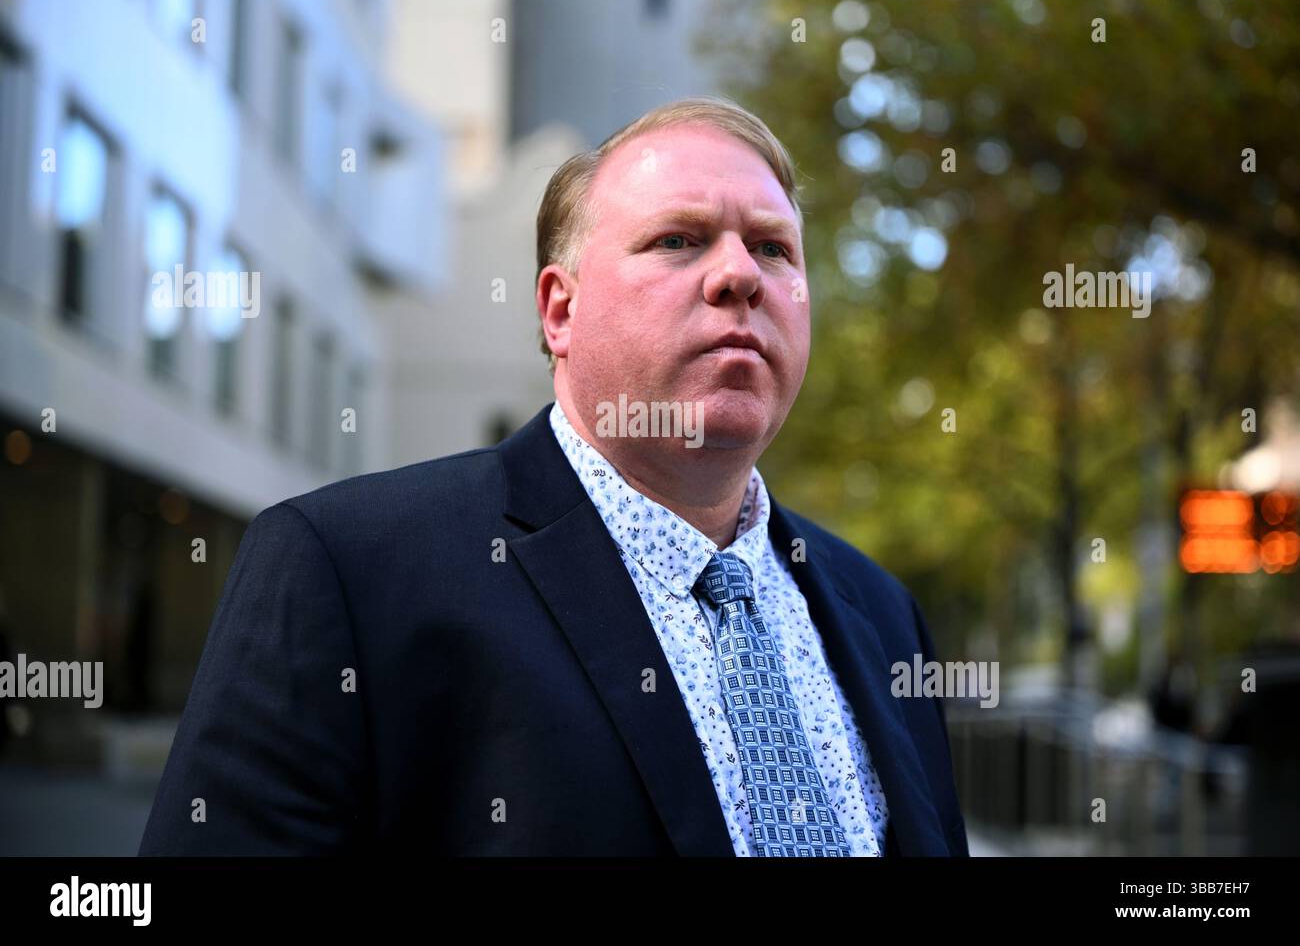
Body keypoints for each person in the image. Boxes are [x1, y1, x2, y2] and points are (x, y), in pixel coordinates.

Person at [139, 97, 968, 857]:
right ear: (560, 310)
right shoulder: (348, 573)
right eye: (677, 239)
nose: (739, 275)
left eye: (772, 247)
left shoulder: (885, 616)